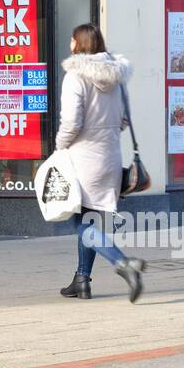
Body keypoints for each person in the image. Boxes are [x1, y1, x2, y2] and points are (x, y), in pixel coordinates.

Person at [54, 23, 146, 303]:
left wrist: (60, 147)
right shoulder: (118, 76)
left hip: (83, 158)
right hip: (110, 156)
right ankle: (81, 280)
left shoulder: (75, 75)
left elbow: (71, 122)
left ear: (77, 43)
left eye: (71, 40)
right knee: (91, 218)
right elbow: (125, 118)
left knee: (84, 224)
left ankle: (123, 263)